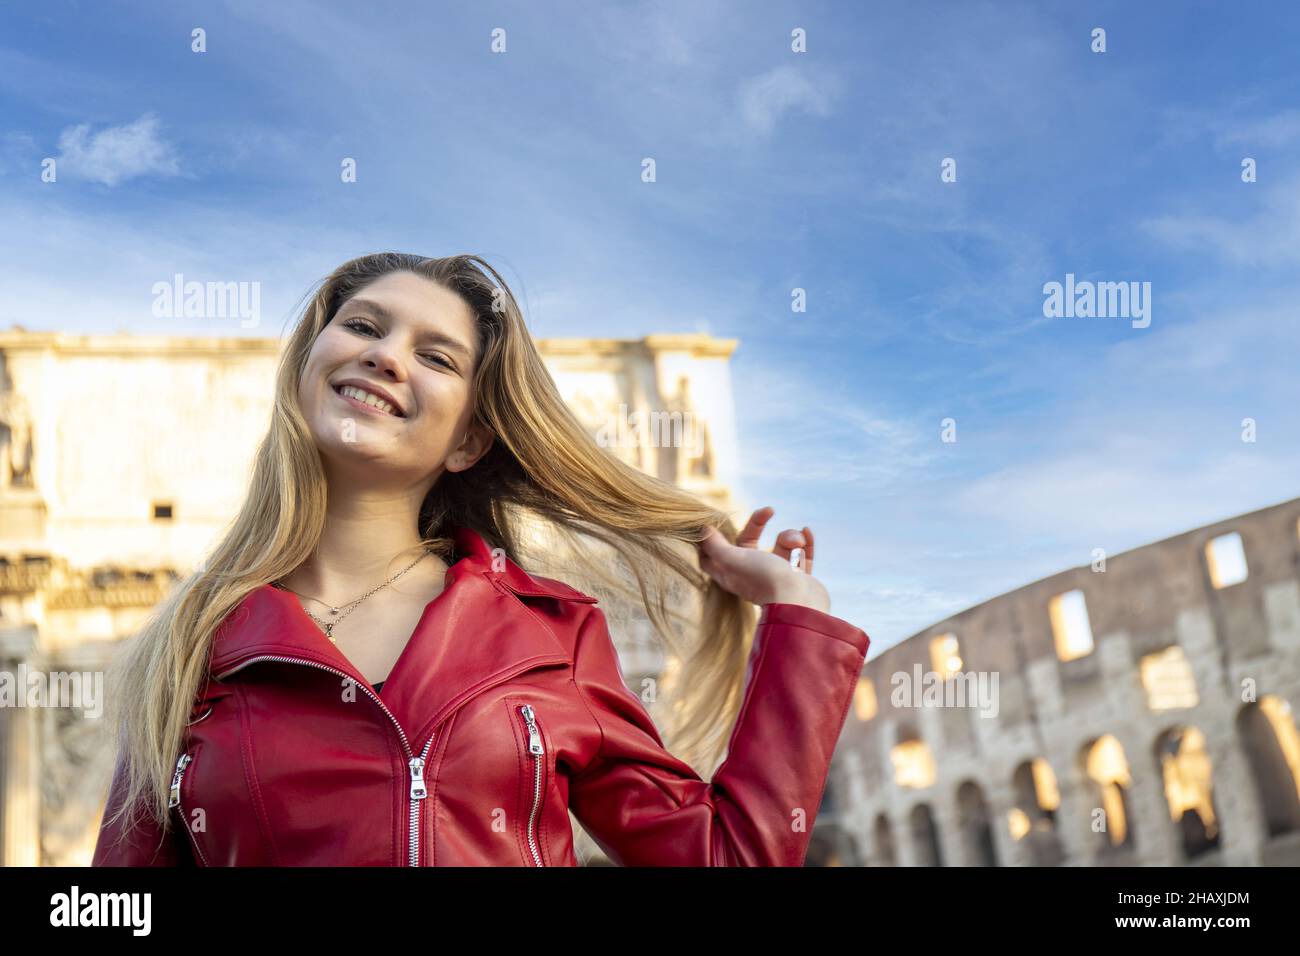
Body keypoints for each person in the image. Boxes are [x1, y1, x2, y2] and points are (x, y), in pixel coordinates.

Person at [91, 252, 870, 866]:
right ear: (305, 370)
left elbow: (726, 859)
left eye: (436, 356)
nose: (387, 357)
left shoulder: (552, 633)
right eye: (363, 326)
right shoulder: (188, 648)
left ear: (469, 441)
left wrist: (799, 617)